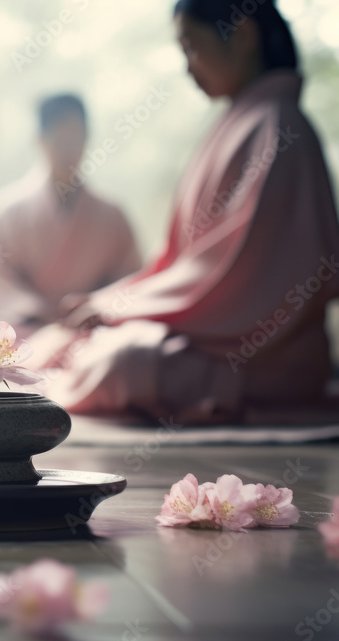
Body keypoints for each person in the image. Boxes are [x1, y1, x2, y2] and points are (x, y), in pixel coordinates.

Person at [28, 0, 339, 424]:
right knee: (65, 340)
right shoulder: (243, 121)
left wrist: (121, 307)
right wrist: (113, 302)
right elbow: (186, 264)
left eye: (192, 47)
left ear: (243, 35)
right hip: (210, 330)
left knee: (124, 360)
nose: (188, 68)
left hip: (262, 353)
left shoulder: (280, 126)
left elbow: (239, 278)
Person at [0, 94, 141, 339]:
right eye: (58, 139)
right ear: (40, 141)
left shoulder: (112, 214)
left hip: (92, 328)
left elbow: (130, 280)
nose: (68, 150)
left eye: (75, 138)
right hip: (27, 328)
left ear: (86, 139)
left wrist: (97, 306)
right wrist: (37, 312)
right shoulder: (7, 210)